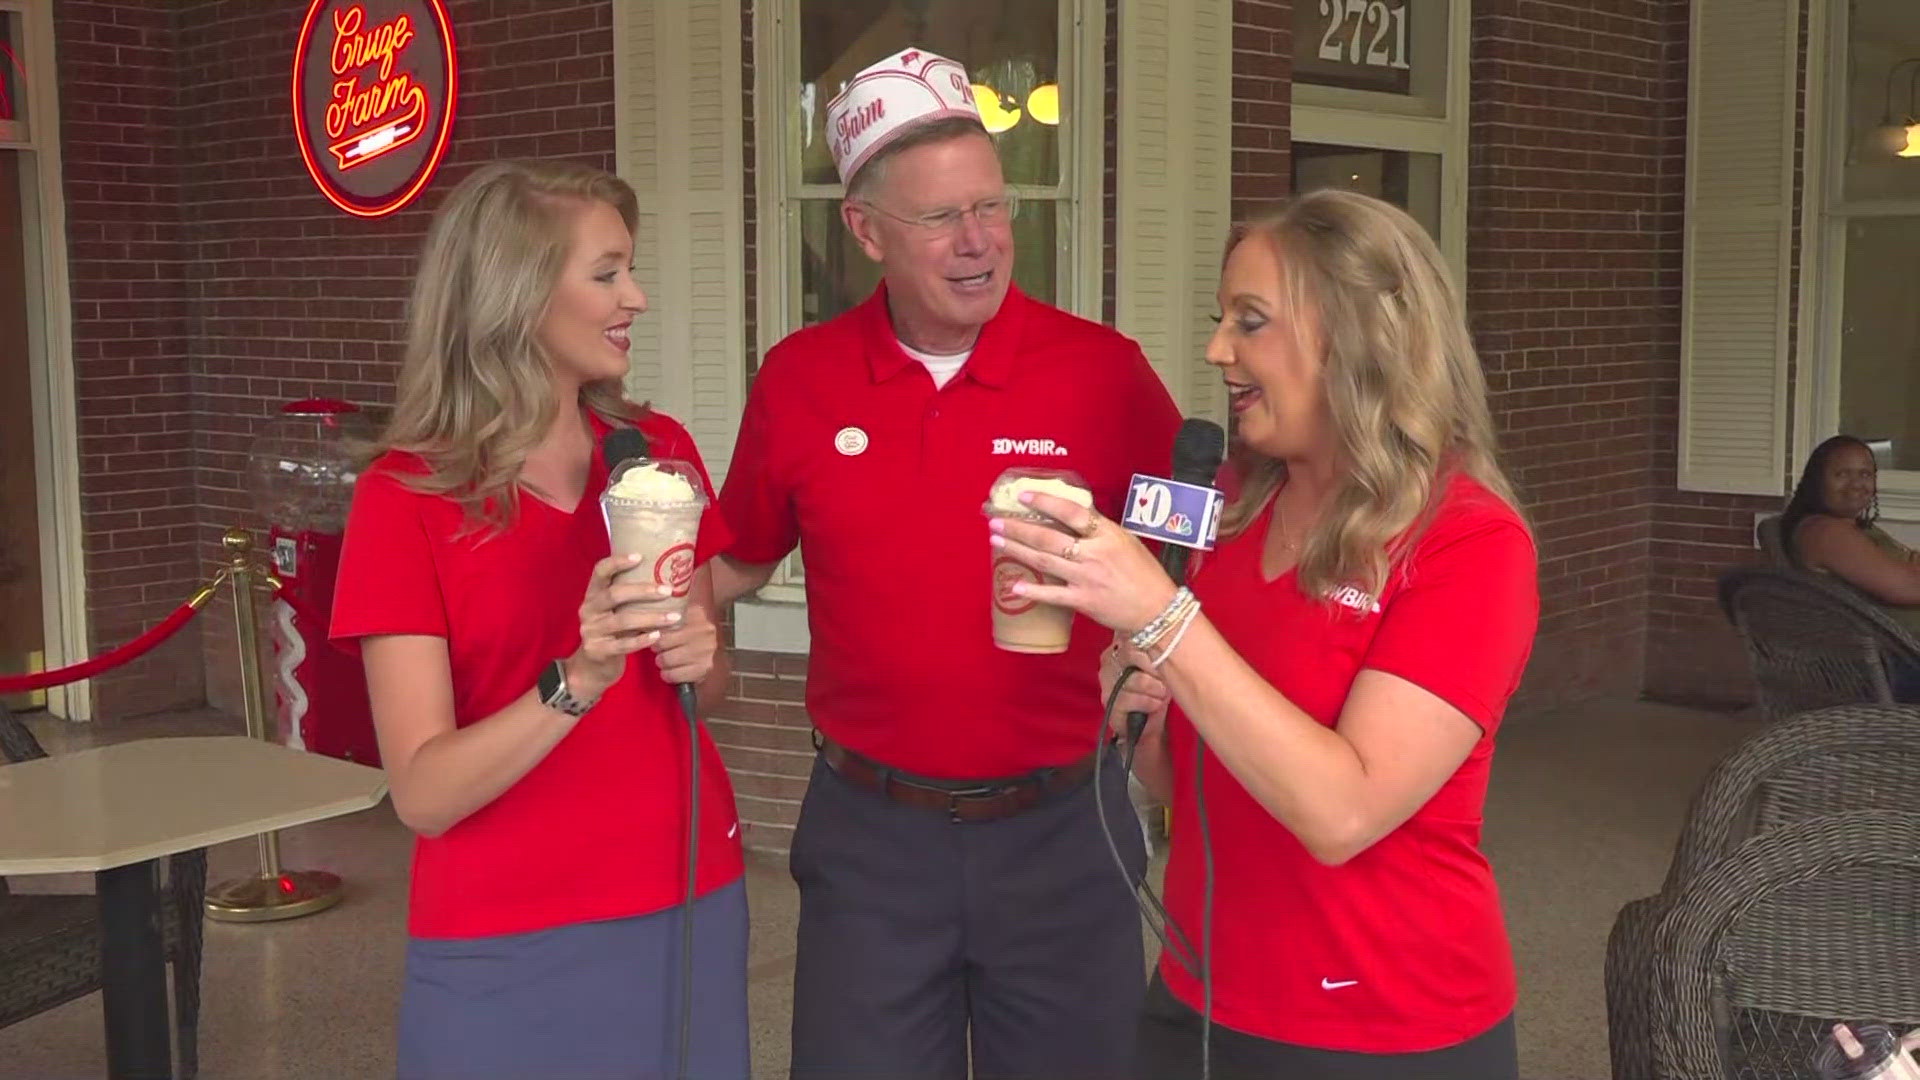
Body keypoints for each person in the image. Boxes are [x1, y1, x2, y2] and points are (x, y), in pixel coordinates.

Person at [991, 189, 1537, 1079]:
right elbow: (1188, 774)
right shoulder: (1241, 510)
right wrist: (1135, 706)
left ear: (1362, 338)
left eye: (1251, 322)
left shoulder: (1470, 543)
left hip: (1385, 1023)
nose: (1216, 351)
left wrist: (1165, 623)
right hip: (1201, 991)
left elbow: (1342, 811)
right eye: (1220, 321)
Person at [713, 48, 1182, 1080]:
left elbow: (1193, 556)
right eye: (939, 218)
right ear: (866, 229)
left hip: (1066, 827)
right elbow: (733, 561)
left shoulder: (1103, 374)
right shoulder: (801, 379)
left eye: (991, 207)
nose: (979, 242)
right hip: (873, 840)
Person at [329, 160, 749, 1080]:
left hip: (685, 889)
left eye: (629, 269)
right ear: (514, 295)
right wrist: (579, 678)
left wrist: (699, 654)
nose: (634, 297)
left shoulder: (657, 452)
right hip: (501, 928)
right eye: (606, 274)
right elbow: (424, 795)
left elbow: (710, 686)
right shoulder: (405, 498)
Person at [1779, 433, 1920, 696]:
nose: (1856, 484)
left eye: (1865, 474)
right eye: (1842, 474)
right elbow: (1909, 587)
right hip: (1889, 667)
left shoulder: (1849, 528)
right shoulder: (1827, 533)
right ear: (1817, 481)